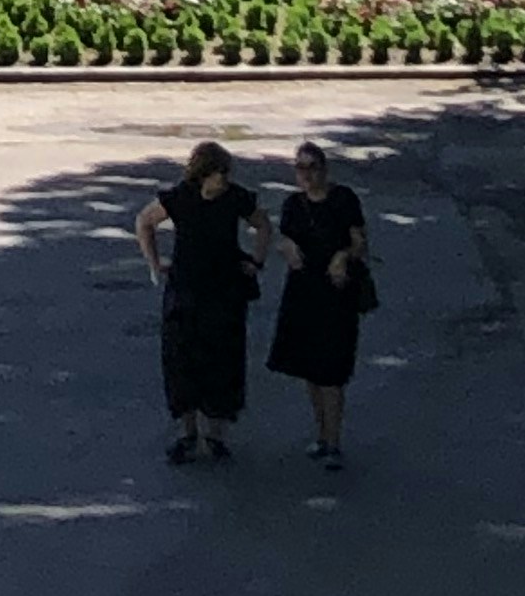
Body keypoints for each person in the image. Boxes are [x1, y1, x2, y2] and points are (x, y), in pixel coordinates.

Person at [136, 140, 268, 465]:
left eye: (226, 172)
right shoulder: (181, 197)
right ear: (203, 173)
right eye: (218, 172)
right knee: (182, 361)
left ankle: (215, 434)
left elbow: (263, 224)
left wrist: (257, 260)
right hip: (186, 291)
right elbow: (145, 221)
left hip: (224, 292)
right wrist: (154, 263)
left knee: (223, 361)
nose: (224, 179)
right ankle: (188, 433)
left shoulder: (235, 197)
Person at [267, 142, 370, 467]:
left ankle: (334, 441)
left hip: (337, 292)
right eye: (301, 168)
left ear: (324, 170)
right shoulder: (293, 205)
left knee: (332, 370)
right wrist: (286, 247)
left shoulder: (343, 199)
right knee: (310, 368)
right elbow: (285, 238)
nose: (306, 175)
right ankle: (322, 435)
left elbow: (360, 242)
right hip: (304, 291)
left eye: (312, 167)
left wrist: (343, 256)